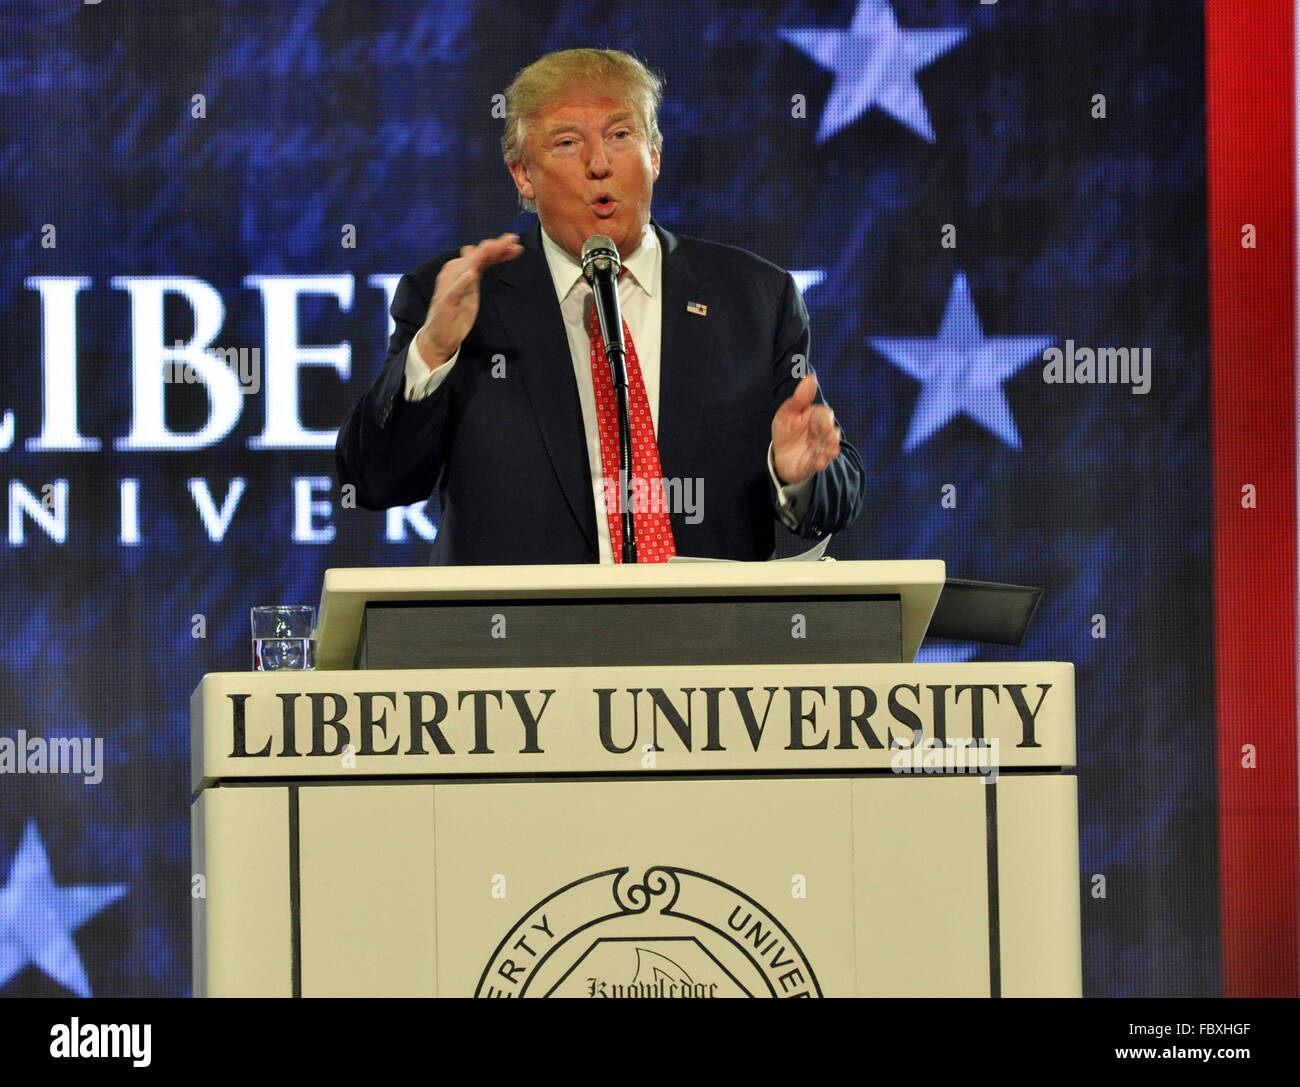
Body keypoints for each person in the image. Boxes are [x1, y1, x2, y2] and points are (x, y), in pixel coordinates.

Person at [336, 48, 865, 564]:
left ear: (654, 154)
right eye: (567, 143)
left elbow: (834, 499)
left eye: (620, 134)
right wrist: (433, 350)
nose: (599, 163)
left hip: (703, 639)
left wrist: (798, 472)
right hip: (518, 642)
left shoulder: (752, 296)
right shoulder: (462, 296)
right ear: (523, 175)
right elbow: (376, 481)